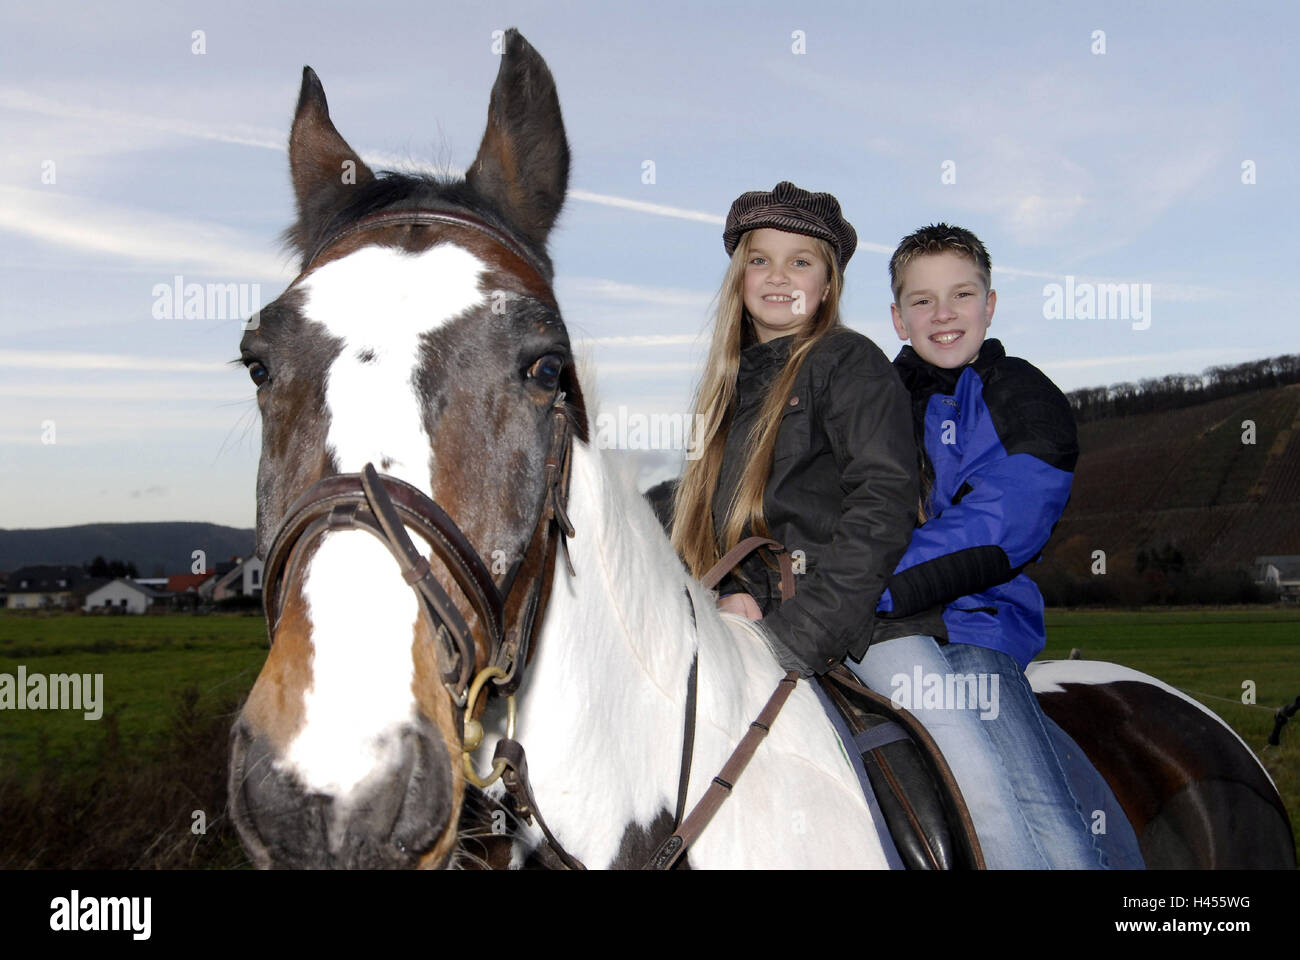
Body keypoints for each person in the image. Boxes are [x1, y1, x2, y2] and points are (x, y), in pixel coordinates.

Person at [846, 222, 1123, 868]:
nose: (943, 315)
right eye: (922, 300)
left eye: (962, 295)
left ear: (990, 304)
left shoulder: (1020, 394)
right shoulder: (867, 403)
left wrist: (868, 585)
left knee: (1042, 831)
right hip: (872, 629)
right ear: (896, 317)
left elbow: (1004, 521)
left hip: (972, 632)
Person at [670, 181, 934, 684]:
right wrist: (721, 598)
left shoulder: (851, 363)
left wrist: (797, 635)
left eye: (800, 262)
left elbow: (882, 503)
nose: (778, 277)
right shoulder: (722, 393)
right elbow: (704, 536)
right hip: (747, 629)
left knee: (968, 760)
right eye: (760, 260)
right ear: (739, 277)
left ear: (829, 283)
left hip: (862, 631)